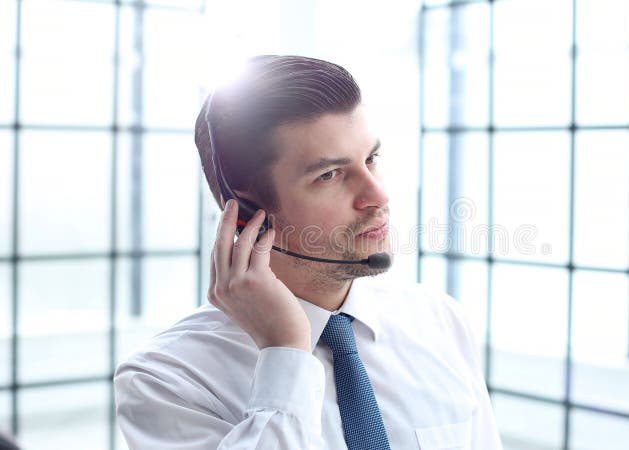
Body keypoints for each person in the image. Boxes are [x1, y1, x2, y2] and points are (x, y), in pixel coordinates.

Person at [114, 55, 502, 449]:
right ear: (249, 211)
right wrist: (285, 351)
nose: (378, 196)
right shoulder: (167, 380)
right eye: (330, 175)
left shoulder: (439, 322)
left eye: (371, 159)